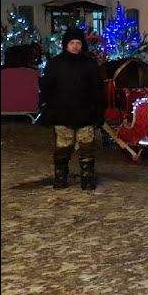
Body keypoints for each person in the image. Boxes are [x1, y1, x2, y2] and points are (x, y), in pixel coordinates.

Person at [39, 26, 105, 189]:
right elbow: (46, 88)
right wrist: (45, 107)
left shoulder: (90, 65)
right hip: (62, 115)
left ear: (82, 44)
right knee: (63, 149)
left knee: (87, 148)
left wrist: (99, 111)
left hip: (85, 115)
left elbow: (98, 89)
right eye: (71, 43)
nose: (75, 46)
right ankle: (60, 177)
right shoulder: (55, 64)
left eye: (78, 43)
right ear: (65, 44)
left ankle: (87, 178)